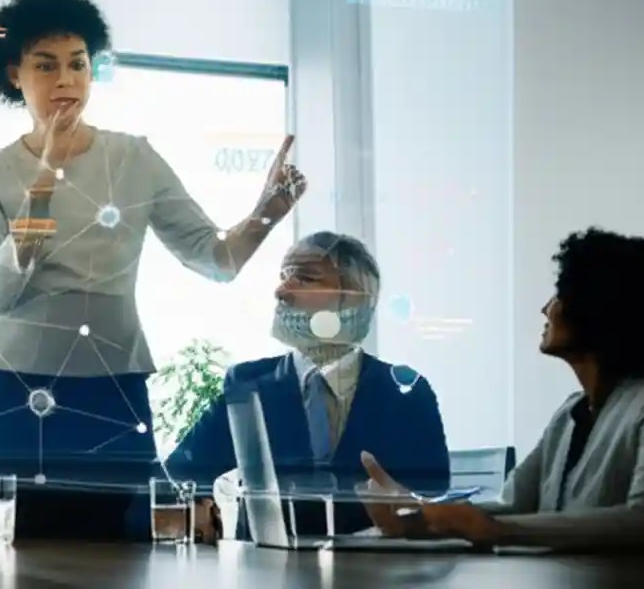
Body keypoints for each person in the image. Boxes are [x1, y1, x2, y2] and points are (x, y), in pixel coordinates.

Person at [0, 0, 305, 539]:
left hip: (111, 386)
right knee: (14, 560)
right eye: (46, 66)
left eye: (78, 64)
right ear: (14, 75)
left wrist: (268, 211)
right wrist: (45, 176)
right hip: (10, 392)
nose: (66, 80)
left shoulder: (134, 158)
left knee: (122, 554)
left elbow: (217, 260)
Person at [364, 227, 644, 552]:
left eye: (560, 295)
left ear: (599, 307)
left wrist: (493, 529)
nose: (547, 309)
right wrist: (418, 515)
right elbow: (514, 505)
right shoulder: (570, 412)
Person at [165, 231, 449, 540]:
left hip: (374, 572)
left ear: (356, 296)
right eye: (284, 276)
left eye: (305, 278)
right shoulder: (248, 384)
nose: (281, 291)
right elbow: (180, 474)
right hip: (266, 574)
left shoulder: (406, 393)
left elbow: (435, 499)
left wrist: (411, 508)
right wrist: (194, 503)